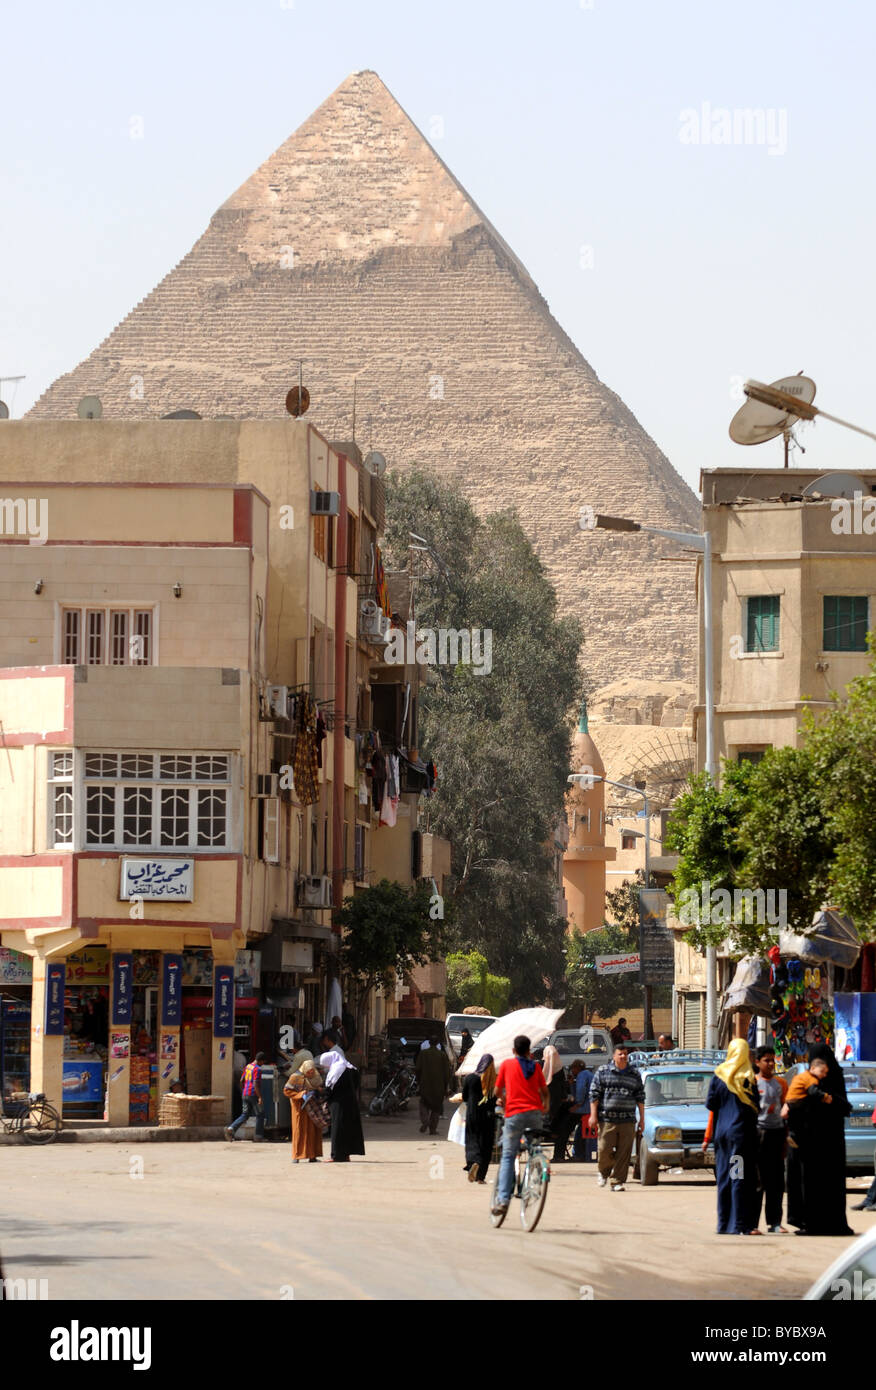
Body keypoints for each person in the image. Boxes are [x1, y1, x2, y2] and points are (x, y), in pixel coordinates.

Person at [784, 1042, 853, 1236]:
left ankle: (812, 1223)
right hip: (830, 1141)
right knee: (828, 1183)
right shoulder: (832, 1078)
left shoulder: (814, 1081)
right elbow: (842, 1106)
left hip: (813, 1141)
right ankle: (830, 1223)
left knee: (811, 1181)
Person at [702, 1039, 760, 1234]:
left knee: (725, 1178)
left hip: (722, 1137)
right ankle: (738, 1224)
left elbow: (711, 1105)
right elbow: (755, 1110)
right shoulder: (748, 1079)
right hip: (740, 1138)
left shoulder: (718, 1076)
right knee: (739, 1178)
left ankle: (723, 1224)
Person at [491, 1036, 549, 1217]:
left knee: (508, 1156)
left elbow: (496, 1091)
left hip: (515, 1115)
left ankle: (502, 1200)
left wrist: (506, 1101)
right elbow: (545, 1092)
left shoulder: (507, 1065)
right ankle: (536, 1167)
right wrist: (545, 1108)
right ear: (529, 1051)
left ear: (514, 1050)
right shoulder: (536, 1067)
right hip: (535, 1115)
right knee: (534, 1147)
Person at [589, 1043, 644, 1190]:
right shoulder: (603, 1071)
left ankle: (617, 1181)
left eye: (625, 1053)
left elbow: (640, 1097)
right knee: (604, 1149)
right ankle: (603, 1172)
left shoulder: (634, 1074)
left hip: (627, 1120)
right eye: (620, 1053)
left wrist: (642, 1121)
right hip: (607, 1120)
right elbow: (594, 1095)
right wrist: (593, 1116)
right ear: (614, 1056)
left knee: (623, 1153)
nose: (623, 1056)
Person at [753, 1045, 788, 1233]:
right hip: (759, 1134)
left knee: (776, 1182)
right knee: (757, 1182)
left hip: (777, 1133)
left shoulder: (780, 1084)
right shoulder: (752, 1082)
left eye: (772, 1059)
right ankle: (752, 1223)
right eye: (766, 1060)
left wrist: (786, 1136)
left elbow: (785, 1107)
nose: (770, 1063)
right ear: (757, 1062)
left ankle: (775, 1223)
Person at [319, 1047, 365, 1162]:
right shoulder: (349, 1067)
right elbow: (356, 1083)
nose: (326, 1067)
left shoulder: (336, 1070)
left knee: (337, 1129)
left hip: (338, 1104)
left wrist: (323, 1096)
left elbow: (330, 1089)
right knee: (348, 1128)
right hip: (350, 1102)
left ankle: (336, 1155)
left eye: (326, 1064)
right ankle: (346, 1154)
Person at [462, 1053, 497, 1184]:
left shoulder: (470, 1078)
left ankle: (473, 1163)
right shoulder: (493, 1081)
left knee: (472, 1140)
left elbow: (465, 1097)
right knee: (486, 1145)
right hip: (488, 1116)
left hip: (473, 1114)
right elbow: (496, 1099)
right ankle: (481, 1177)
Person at [284, 1057, 324, 1163]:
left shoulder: (316, 1076)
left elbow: (319, 1085)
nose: (311, 1073)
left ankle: (312, 1156)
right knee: (299, 1130)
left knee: (313, 1131)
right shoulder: (295, 1077)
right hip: (300, 1108)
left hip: (313, 1107)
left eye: (312, 1071)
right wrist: (300, 1094)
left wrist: (318, 1090)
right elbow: (287, 1091)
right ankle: (296, 1156)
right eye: (309, 1072)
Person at [225, 1051, 266, 1142]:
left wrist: (244, 1090)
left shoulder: (248, 1066)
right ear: (261, 1061)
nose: (263, 1064)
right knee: (260, 1114)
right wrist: (259, 1097)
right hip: (253, 1094)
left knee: (245, 1114)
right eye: (263, 1062)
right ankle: (258, 1136)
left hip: (245, 1093)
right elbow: (255, 1084)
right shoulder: (257, 1069)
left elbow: (241, 1080)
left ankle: (231, 1128)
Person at [543, 1045, 573, 1163]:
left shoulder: (541, 1066)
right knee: (561, 1130)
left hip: (545, 1108)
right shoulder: (560, 1069)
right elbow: (563, 1089)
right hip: (556, 1107)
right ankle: (558, 1155)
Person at [416, 1040, 452, 1134]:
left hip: (425, 1083)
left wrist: (419, 1081)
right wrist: (446, 1086)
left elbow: (418, 1069)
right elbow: (447, 1072)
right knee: (436, 1108)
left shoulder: (423, 1054)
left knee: (423, 1103)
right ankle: (433, 1130)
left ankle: (425, 1121)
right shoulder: (442, 1055)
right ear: (437, 1044)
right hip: (439, 1086)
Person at [571, 1057, 596, 1161]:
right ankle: (581, 1153)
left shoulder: (582, 1075)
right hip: (590, 1108)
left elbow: (581, 1091)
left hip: (585, 1108)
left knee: (580, 1132)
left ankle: (579, 1154)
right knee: (584, 1132)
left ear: (576, 1068)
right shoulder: (589, 1074)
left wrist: (577, 1104)